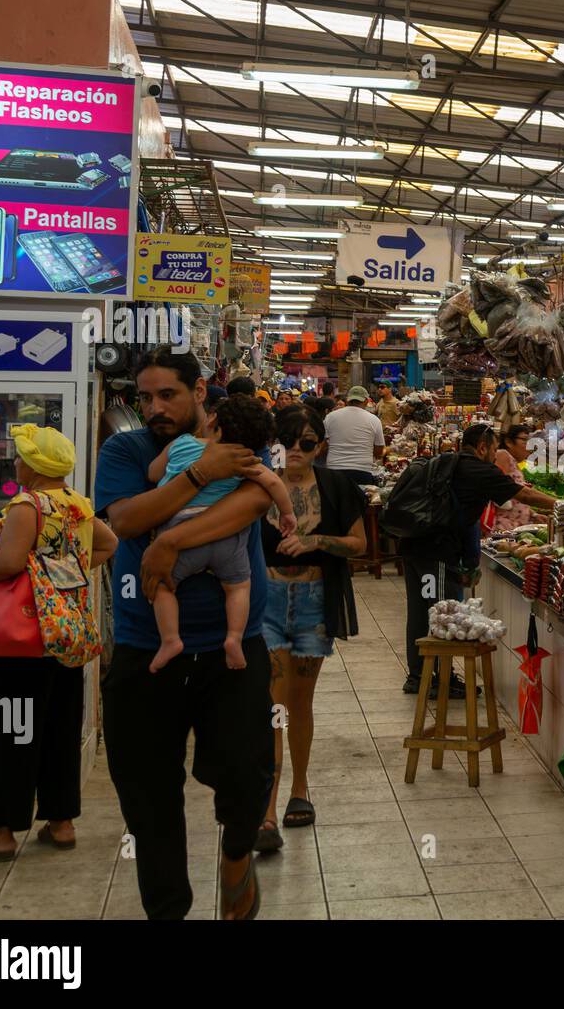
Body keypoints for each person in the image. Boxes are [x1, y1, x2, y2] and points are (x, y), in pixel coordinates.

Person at [95, 346, 277, 921]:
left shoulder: (238, 435)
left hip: (232, 648)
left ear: (200, 392)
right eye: (145, 397)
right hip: (145, 647)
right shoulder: (126, 448)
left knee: (249, 777)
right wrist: (200, 474)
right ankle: (169, 910)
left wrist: (172, 541)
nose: (155, 407)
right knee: (148, 799)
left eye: (168, 394)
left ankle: (235, 859)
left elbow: (252, 500)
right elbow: (125, 520)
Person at [0, 426, 117, 861]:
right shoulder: (76, 504)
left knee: (13, 729)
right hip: (66, 635)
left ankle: (2, 830)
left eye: (22, 457)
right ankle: (61, 822)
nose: (17, 463)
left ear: (35, 465)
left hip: (22, 637)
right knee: (60, 727)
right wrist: (67, 573)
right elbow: (109, 543)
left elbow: (6, 564)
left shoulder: (28, 505)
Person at [255, 407, 368, 851]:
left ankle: (299, 788)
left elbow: (359, 545)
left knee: (300, 702)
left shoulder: (338, 487)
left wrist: (315, 541)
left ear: (320, 446)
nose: (296, 451)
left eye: (306, 442)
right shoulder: (257, 487)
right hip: (266, 600)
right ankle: (266, 810)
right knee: (272, 704)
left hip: (314, 602)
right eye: (287, 441)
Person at [400, 423, 556, 698]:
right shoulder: (480, 471)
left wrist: (470, 561)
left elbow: (469, 520)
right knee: (439, 612)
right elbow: (524, 494)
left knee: (420, 611)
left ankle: (422, 676)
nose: (496, 454)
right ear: (483, 447)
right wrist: (562, 506)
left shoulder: (451, 463)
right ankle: (434, 680)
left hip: (415, 547)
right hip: (434, 553)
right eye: (495, 449)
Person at [145, 395, 297, 672]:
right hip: (227, 537)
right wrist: (287, 513)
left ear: (212, 419)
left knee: (163, 586)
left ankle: (170, 640)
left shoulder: (182, 444)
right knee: (238, 586)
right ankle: (234, 639)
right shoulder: (244, 459)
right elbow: (273, 482)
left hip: (180, 533)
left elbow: (153, 473)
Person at [324, 385, 386, 490]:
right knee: (359, 504)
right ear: (366, 401)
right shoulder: (374, 420)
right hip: (362, 471)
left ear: (348, 400)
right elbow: (379, 450)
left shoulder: (331, 417)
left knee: (335, 504)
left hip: (334, 469)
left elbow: (324, 444)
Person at [493, 424, 540, 532]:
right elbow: (499, 492)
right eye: (524, 440)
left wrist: (533, 514)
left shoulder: (515, 462)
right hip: (503, 527)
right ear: (508, 442)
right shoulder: (503, 455)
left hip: (515, 528)